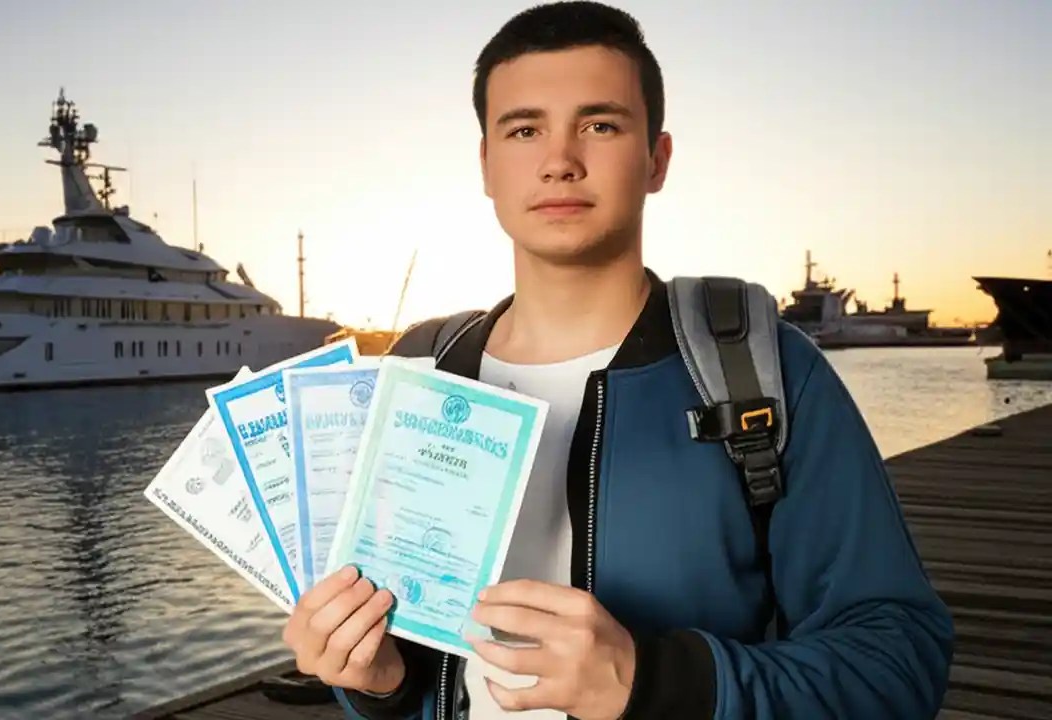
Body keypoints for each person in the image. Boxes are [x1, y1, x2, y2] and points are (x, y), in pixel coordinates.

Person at [281, 2, 955, 718]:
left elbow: (898, 662)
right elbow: (410, 679)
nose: (559, 161)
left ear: (656, 160)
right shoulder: (422, 374)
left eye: (600, 124)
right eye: (524, 128)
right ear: (486, 164)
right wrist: (380, 685)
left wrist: (654, 682)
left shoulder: (761, 371)